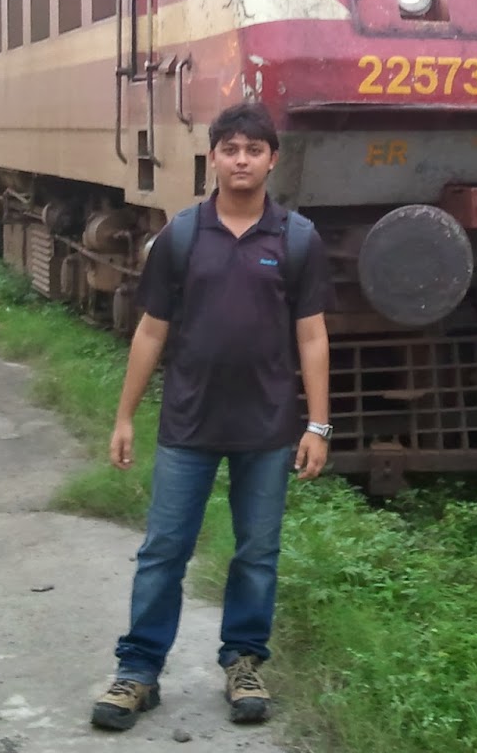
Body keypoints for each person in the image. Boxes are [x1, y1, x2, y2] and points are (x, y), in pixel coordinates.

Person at [91, 101, 333, 731]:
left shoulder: (298, 239)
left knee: (256, 553)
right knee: (163, 551)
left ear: (272, 159)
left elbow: (312, 337)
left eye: (254, 150)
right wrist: (124, 418)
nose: (242, 160)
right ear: (214, 158)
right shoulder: (181, 236)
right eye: (230, 149)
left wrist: (318, 424)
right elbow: (149, 332)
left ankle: (244, 662)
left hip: (268, 427)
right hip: (187, 425)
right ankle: (139, 671)